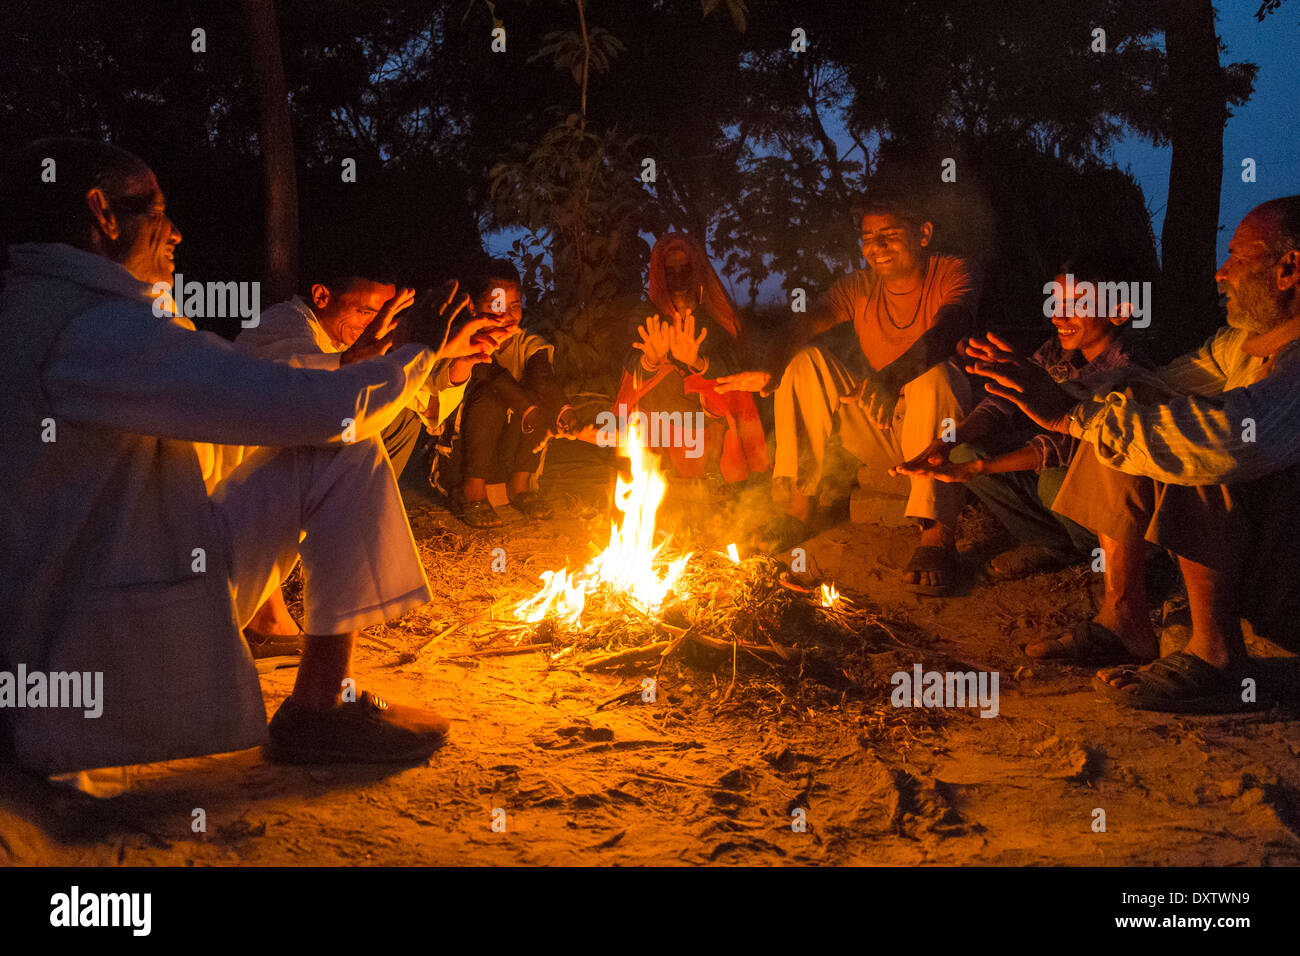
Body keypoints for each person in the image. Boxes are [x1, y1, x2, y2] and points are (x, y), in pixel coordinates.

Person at [0, 138, 492, 772]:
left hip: (104, 596)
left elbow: (242, 407)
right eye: (158, 210)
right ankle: (319, 710)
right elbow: (313, 411)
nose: (175, 232)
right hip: (91, 642)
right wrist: (417, 351)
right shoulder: (92, 329)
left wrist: (354, 365)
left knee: (332, 447)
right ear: (103, 211)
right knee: (347, 446)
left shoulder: (51, 312)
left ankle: (319, 699)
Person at [963, 197, 1300, 713]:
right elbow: (1151, 385)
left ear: (1288, 269)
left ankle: (1217, 655)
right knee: (1132, 407)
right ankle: (1124, 619)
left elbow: (1231, 440)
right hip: (1264, 546)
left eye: (1237, 257)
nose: (1221, 271)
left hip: (1286, 560)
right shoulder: (1241, 344)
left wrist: (1072, 415)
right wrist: (1065, 399)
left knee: (1196, 443)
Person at [230, 264, 506, 657]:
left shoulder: (347, 339)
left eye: (386, 315)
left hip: (266, 491)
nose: (375, 325)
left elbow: (417, 397)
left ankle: (302, 625)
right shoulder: (283, 324)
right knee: (350, 435)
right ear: (322, 296)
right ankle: (276, 622)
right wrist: (399, 354)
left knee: (390, 417)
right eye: (365, 312)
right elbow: (305, 392)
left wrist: (451, 354)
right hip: (233, 490)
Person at [717, 196, 981, 595]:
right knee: (805, 363)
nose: (876, 248)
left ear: (923, 233)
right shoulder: (858, 286)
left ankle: (935, 537)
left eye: (889, 236)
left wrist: (893, 379)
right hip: (880, 428)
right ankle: (798, 504)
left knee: (935, 376)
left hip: (941, 431)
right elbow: (806, 324)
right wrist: (772, 367)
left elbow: (951, 326)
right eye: (868, 238)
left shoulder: (952, 272)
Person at [893, 253, 1148, 583]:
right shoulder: (1057, 352)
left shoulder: (1130, 371)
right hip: (1053, 465)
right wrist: (947, 441)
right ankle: (1051, 544)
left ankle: (1103, 554)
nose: (1059, 315)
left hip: (1102, 488)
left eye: (1078, 303)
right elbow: (1000, 403)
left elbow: (1061, 446)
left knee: (1053, 480)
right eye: (1056, 302)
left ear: (1120, 311)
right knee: (965, 451)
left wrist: (979, 469)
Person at [434, 260, 575, 529]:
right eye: (496, 305)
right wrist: (528, 409)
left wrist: (565, 411)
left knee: (539, 397)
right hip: (463, 456)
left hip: (509, 455)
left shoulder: (529, 344)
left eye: (515, 306)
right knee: (492, 397)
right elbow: (492, 375)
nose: (507, 315)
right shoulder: (459, 341)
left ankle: (520, 487)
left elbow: (544, 380)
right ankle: (473, 493)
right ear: (473, 307)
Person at [619, 234, 768, 484]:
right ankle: (660, 468)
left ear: (696, 270)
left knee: (728, 386)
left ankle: (721, 470)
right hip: (659, 407)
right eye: (670, 270)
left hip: (704, 410)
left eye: (684, 268)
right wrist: (651, 360)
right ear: (659, 273)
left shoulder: (711, 315)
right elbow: (631, 360)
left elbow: (732, 362)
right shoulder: (646, 315)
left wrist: (698, 362)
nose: (677, 277)